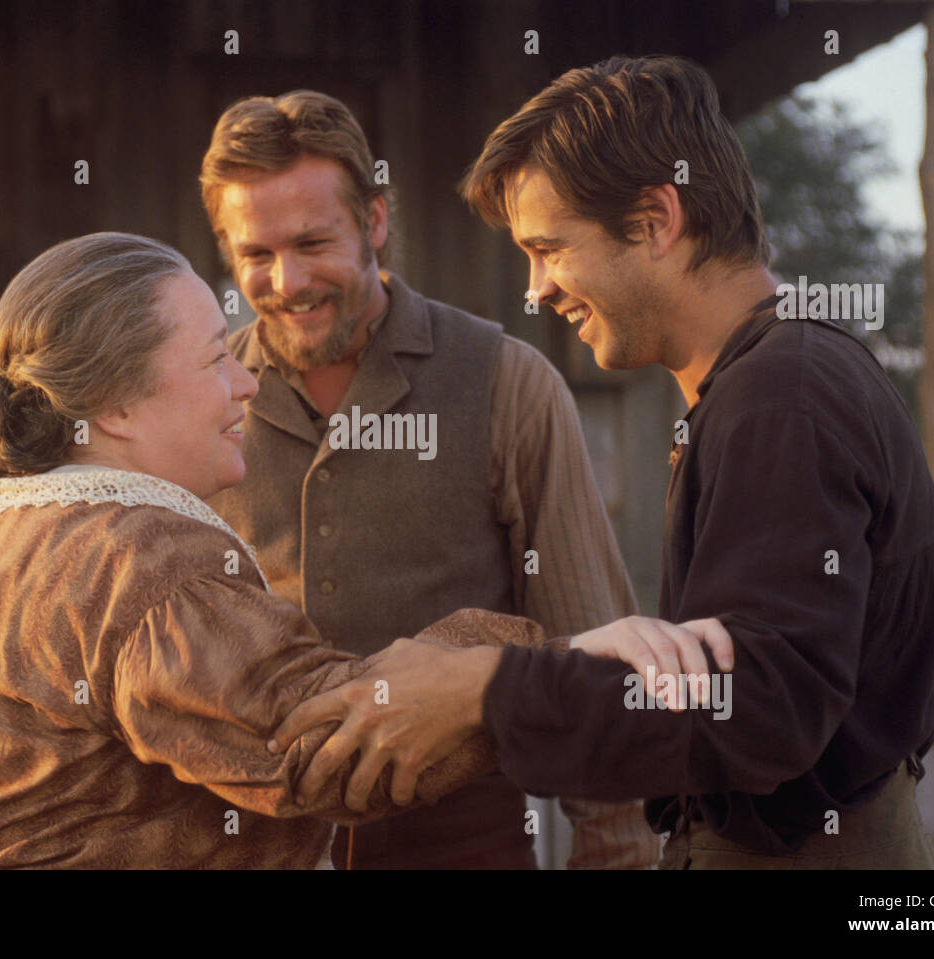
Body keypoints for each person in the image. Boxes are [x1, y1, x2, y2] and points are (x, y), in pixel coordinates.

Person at [270, 56, 934, 869]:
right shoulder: (767, 381)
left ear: (656, 218)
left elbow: (764, 706)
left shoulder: (782, 397)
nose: (537, 289)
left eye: (550, 248)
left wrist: (484, 691)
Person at [0, 231, 565, 868]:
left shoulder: (3, 532)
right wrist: (561, 668)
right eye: (217, 359)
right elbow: (324, 749)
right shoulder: (144, 560)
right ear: (114, 406)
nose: (247, 382)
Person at [199, 89, 658, 868]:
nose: (288, 280)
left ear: (375, 221)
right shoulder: (198, 400)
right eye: (255, 255)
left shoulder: (508, 383)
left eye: (315, 241)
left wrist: (618, 856)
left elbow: (592, 659)